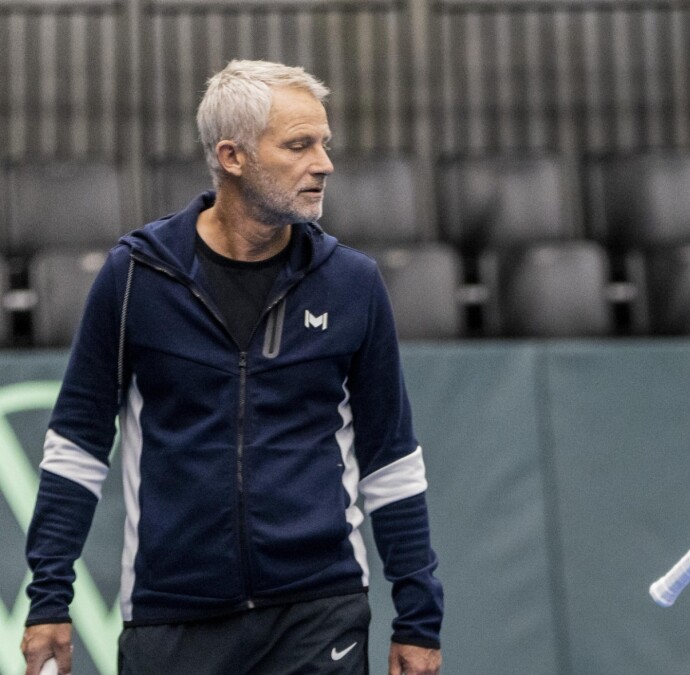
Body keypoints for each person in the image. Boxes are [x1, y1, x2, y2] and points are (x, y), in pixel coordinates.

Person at [21, 60, 443, 675]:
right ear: (232, 156)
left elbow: (392, 463)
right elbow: (77, 449)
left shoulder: (353, 283)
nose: (324, 163)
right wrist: (48, 598)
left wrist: (418, 618)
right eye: (299, 145)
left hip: (319, 610)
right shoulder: (135, 276)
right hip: (171, 614)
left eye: (324, 143)